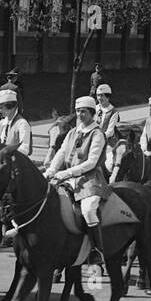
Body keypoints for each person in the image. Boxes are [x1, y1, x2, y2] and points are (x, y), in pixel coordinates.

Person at [43, 95, 110, 266]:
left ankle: (96, 250)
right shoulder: (73, 132)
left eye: (84, 112)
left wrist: (65, 173)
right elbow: (61, 152)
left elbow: (92, 162)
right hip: (68, 177)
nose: (80, 115)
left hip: (90, 179)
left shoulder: (97, 134)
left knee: (88, 210)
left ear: (92, 113)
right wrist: (51, 170)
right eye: (78, 111)